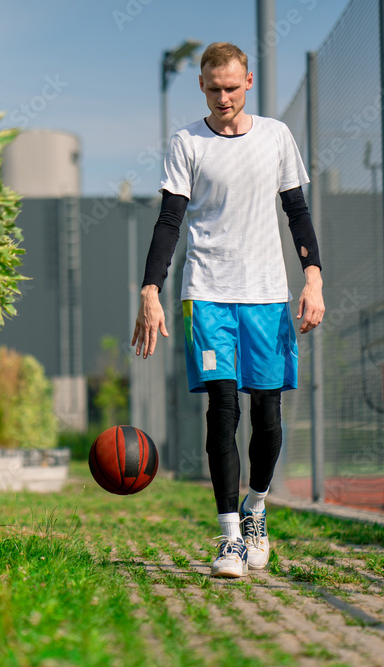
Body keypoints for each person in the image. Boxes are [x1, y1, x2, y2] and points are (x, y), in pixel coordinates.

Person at [131, 42, 324, 578]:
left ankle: (256, 507)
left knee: (266, 417)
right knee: (222, 409)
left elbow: (298, 212)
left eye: (232, 87)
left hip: (266, 296)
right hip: (207, 293)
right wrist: (151, 289)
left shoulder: (276, 137)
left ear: (249, 81)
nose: (224, 97)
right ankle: (229, 539)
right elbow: (170, 221)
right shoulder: (186, 142)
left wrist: (313, 278)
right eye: (214, 88)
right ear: (201, 86)